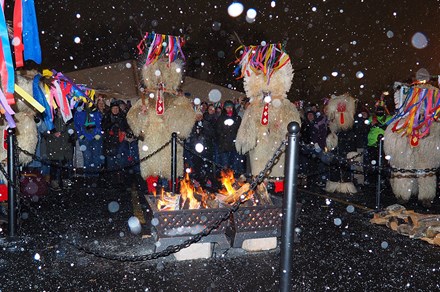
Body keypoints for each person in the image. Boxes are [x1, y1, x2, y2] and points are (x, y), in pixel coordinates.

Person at [45, 110, 75, 190]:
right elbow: (45, 131)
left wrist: (70, 136)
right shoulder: (51, 119)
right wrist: (52, 134)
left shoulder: (68, 119)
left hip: (66, 146)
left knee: (66, 165)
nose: (60, 111)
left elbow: (73, 131)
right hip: (54, 146)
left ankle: (66, 181)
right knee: (55, 165)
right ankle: (55, 182)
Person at [101, 100, 130, 185]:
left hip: (120, 142)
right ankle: (111, 180)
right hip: (110, 142)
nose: (115, 110)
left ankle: (120, 180)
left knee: (120, 161)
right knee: (111, 162)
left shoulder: (123, 117)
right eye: (114, 108)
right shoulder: (107, 117)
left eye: (116, 108)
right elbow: (104, 127)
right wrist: (112, 126)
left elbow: (126, 127)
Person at [74, 102, 103, 177]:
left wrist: (98, 133)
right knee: (87, 157)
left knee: (96, 158)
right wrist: (80, 135)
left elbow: (100, 124)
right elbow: (76, 125)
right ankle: (88, 178)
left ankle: (95, 178)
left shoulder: (96, 112)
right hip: (85, 137)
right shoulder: (79, 112)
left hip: (95, 138)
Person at [215, 100, 242, 176]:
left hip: (234, 146)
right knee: (225, 165)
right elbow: (218, 131)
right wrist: (226, 131)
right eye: (227, 107)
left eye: (231, 107)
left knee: (235, 166)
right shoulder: (221, 118)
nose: (229, 109)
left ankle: (235, 180)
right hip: (224, 146)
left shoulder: (237, 118)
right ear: (225, 109)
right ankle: (225, 180)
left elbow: (240, 130)